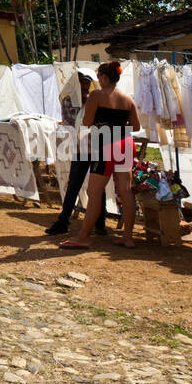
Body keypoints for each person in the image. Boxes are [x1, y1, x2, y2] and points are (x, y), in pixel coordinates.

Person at [60, 61, 139, 249]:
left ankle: (83, 237)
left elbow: (87, 122)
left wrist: (105, 127)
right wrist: (118, 129)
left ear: (104, 77)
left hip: (105, 144)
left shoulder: (96, 95)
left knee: (93, 192)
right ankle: (128, 237)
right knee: (126, 191)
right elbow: (136, 127)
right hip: (125, 143)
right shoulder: (128, 99)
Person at [45, 72, 108, 236]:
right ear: (76, 84)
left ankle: (100, 224)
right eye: (82, 83)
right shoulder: (69, 101)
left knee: (98, 188)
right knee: (74, 186)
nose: (85, 86)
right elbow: (70, 124)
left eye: (87, 83)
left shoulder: (96, 99)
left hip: (97, 149)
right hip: (80, 149)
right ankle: (63, 221)